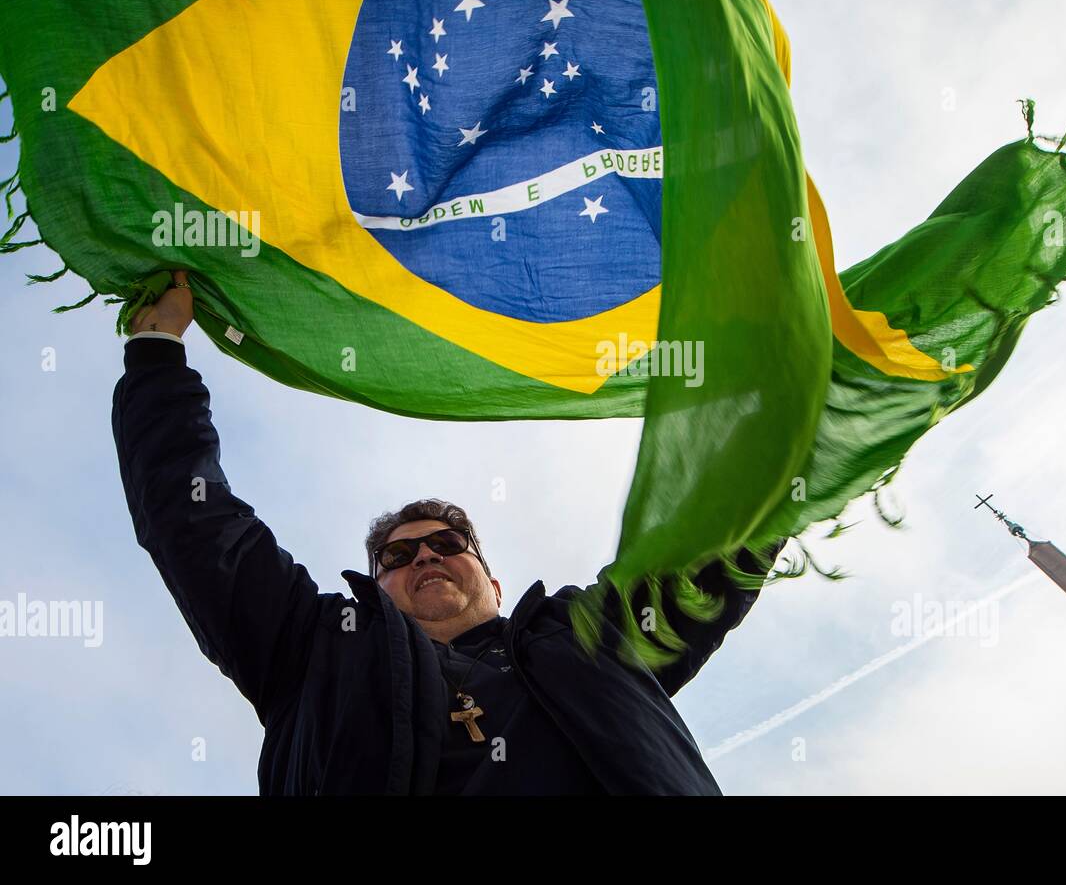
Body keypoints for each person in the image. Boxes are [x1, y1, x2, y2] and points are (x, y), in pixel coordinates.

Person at [112, 271, 784, 795]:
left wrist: (795, 400)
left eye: (447, 544)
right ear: (376, 584)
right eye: (398, 555)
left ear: (491, 580)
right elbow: (195, 522)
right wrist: (156, 355)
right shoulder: (313, 650)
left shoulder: (595, 635)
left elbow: (715, 541)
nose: (425, 556)